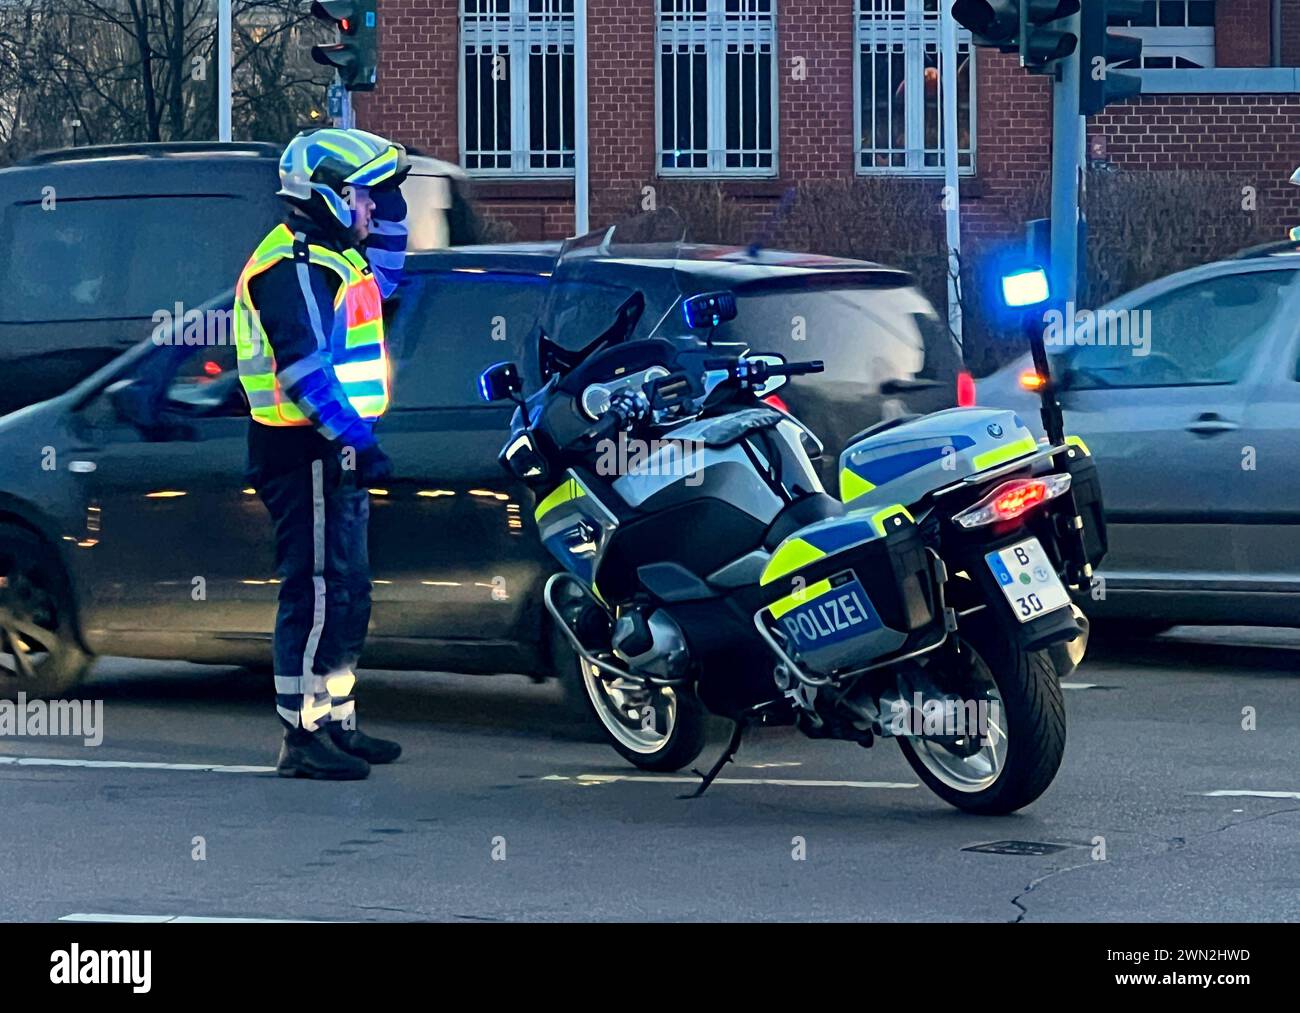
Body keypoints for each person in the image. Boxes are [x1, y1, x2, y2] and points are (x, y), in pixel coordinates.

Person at [233, 127, 410, 779]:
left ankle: (336, 719)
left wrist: (393, 201)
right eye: (364, 198)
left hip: (334, 448)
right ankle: (300, 738)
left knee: (349, 590)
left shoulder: (338, 257)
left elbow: (389, 276)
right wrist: (356, 439)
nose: (369, 211)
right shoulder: (291, 267)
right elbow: (304, 370)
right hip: (301, 448)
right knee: (313, 592)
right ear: (331, 197)